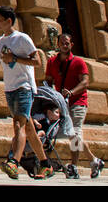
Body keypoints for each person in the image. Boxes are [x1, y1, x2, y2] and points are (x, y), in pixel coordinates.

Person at [0, 5, 51, 179]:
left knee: (18, 124)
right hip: (10, 88)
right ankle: (46, 165)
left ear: (9, 21)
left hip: (25, 87)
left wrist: (15, 59)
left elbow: (37, 61)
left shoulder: (22, 38)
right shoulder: (0, 42)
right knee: (29, 130)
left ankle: (14, 162)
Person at [44, 33, 104, 179]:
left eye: (67, 43)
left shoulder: (78, 62)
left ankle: (74, 166)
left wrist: (71, 92)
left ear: (72, 45)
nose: (65, 45)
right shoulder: (52, 62)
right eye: (62, 43)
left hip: (78, 102)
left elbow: (85, 83)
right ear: (58, 45)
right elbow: (48, 81)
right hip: (61, 103)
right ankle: (94, 161)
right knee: (71, 135)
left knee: (74, 133)